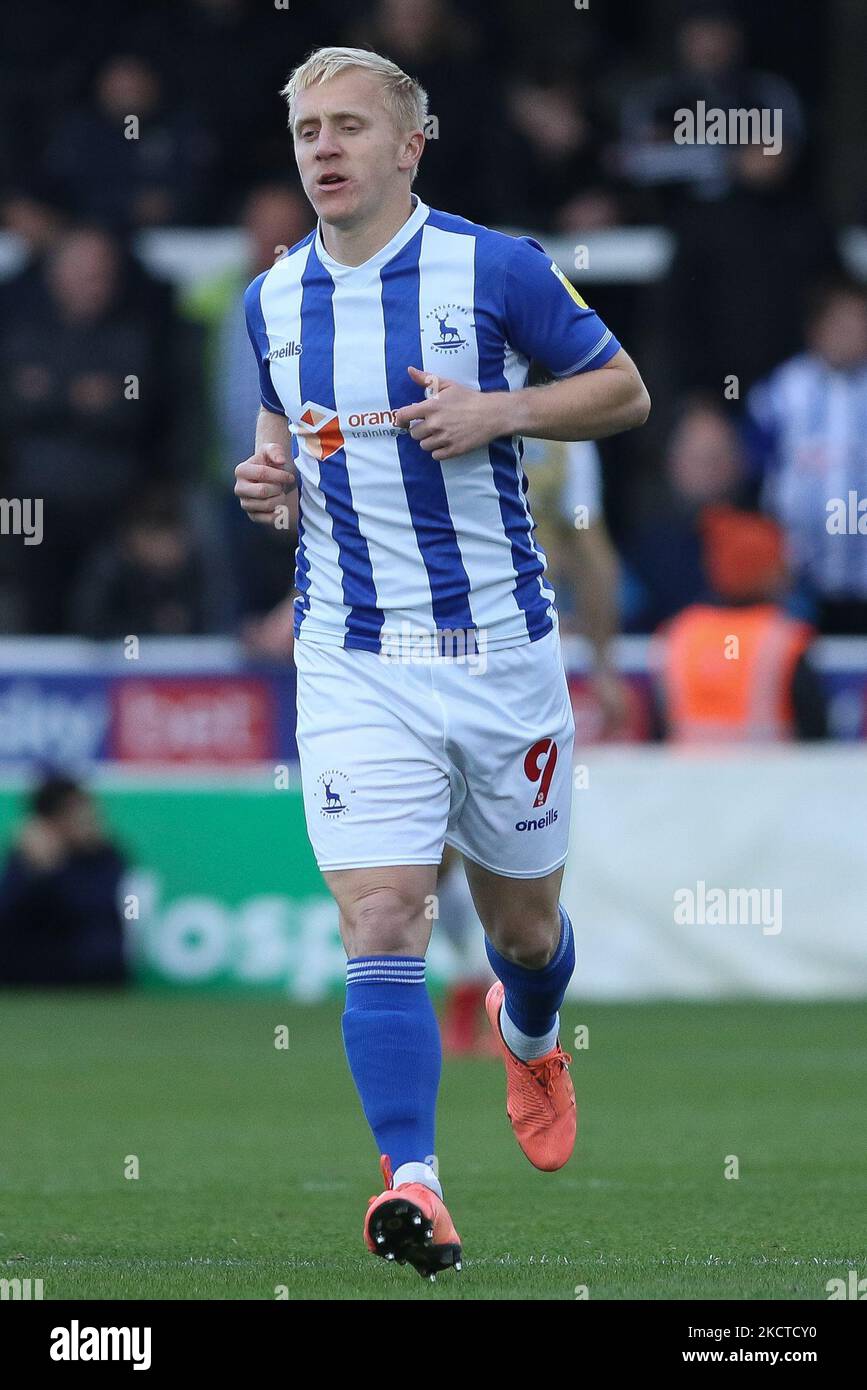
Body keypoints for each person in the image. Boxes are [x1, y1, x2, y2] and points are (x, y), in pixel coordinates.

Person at [234, 46, 650, 1280]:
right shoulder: (271, 296)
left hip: (499, 654)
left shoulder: (497, 267)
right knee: (384, 914)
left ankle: (532, 1034)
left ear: (411, 144)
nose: (323, 146)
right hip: (353, 658)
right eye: (308, 127)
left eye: (351, 125)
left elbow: (624, 392)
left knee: (523, 931)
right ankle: (412, 1180)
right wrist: (267, 485)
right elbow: (279, 446)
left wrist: (500, 413)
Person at [652, 506, 827, 742]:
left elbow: (660, 730)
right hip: (772, 776)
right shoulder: (783, 640)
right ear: (767, 573)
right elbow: (817, 738)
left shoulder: (679, 634)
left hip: (686, 775)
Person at [0, 775, 128, 986]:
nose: (89, 820)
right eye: (78, 813)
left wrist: (55, 869)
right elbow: (8, 914)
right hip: (29, 966)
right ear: (52, 820)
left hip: (89, 965)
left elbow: (100, 909)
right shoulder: (27, 856)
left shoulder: (106, 856)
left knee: (102, 950)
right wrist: (36, 872)